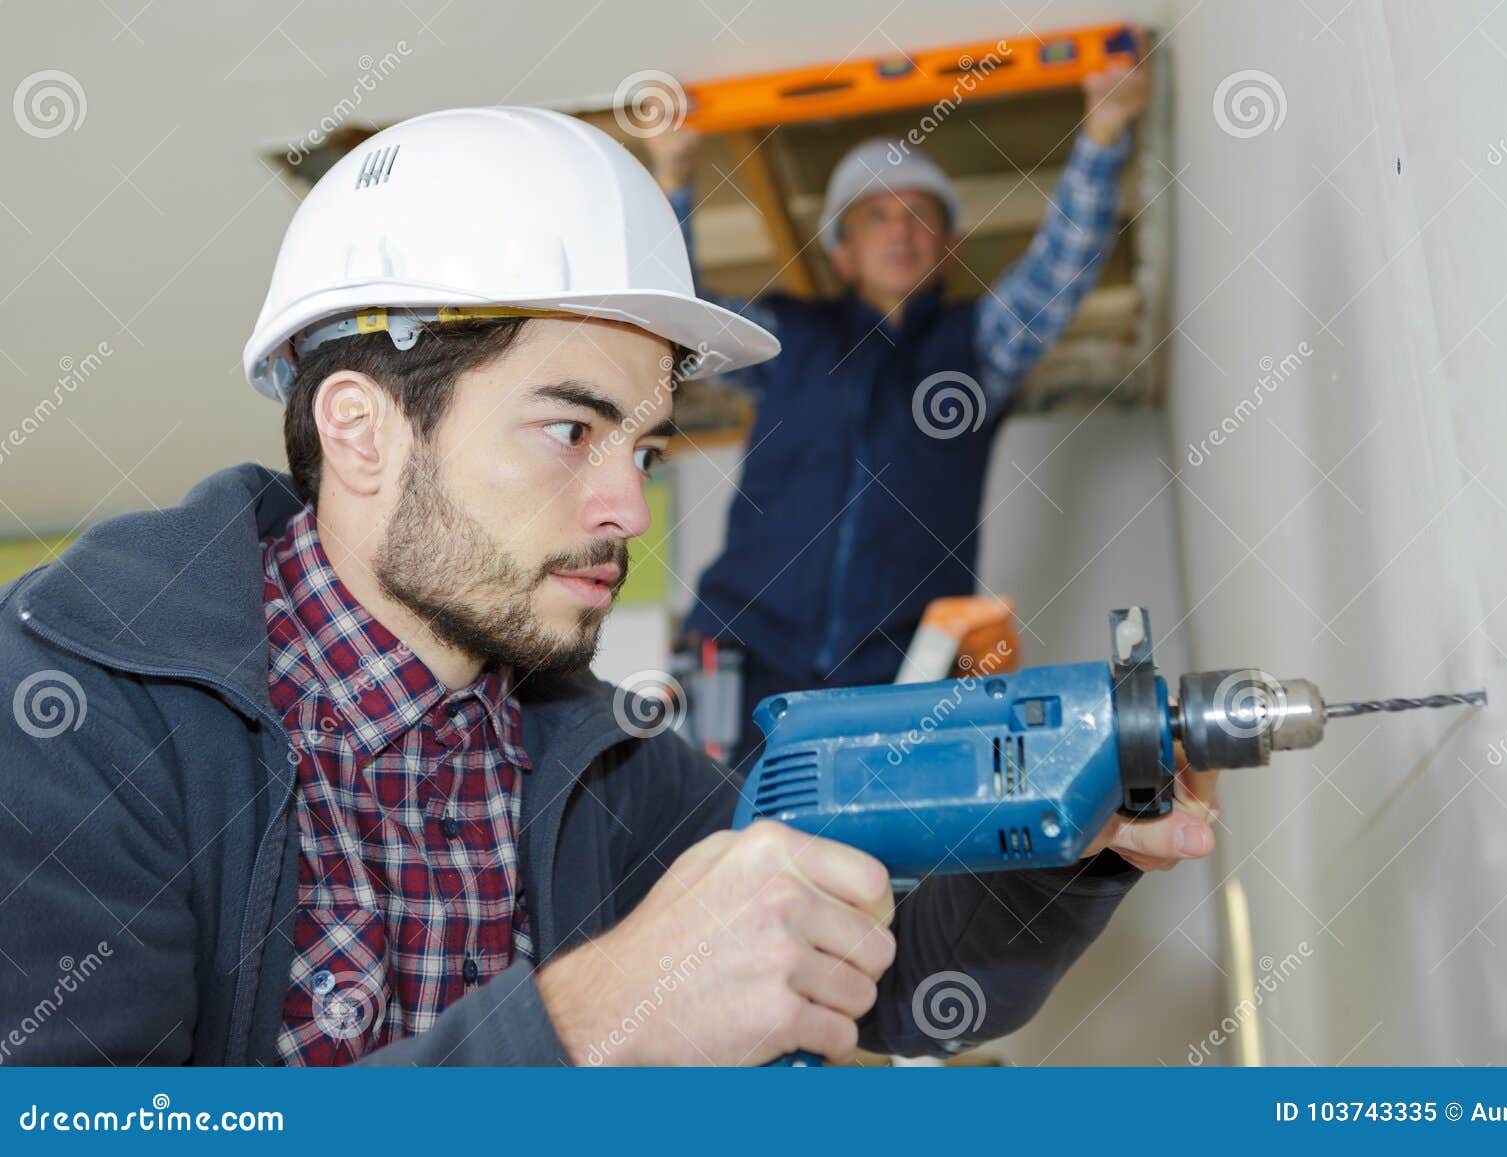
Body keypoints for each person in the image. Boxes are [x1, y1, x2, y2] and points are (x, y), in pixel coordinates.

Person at [0, 105, 1214, 1068]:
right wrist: (584, 1025)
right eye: (569, 432)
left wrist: (1072, 833)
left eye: (642, 448)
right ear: (362, 430)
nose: (629, 510)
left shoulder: (597, 757)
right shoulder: (80, 714)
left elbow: (889, 976)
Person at [646, 44, 1153, 769]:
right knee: (713, 845)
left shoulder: (975, 348)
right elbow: (675, 310)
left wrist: (1104, 133)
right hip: (741, 647)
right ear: (842, 254)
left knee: (885, 867)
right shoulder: (790, 338)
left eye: (919, 216)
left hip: (905, 670)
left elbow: (1057, 274)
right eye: (876, 216)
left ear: (947, 250)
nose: (900, 230)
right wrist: (673, 174)